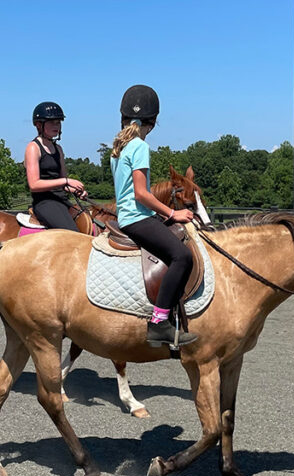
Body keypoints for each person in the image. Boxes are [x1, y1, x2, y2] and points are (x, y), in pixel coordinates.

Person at [110, 85, 198, 347]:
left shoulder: (119, 148)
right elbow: (141, 194)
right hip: (137, 218)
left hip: (128, 216)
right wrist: (173, 212)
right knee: (182, 256)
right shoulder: (139, 146)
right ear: (154, 121)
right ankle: (159, 322)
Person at [24, 102, 88, 230]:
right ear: (38, 125)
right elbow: (34, 184)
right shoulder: (33, 148)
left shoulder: (58, 149)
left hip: (61, 200)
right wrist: (66, 181)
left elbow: (63, 184)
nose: (56, 126)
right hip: (45, 203)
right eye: (52, 122)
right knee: (72, 233)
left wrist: (76, 190)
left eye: (58, 122)